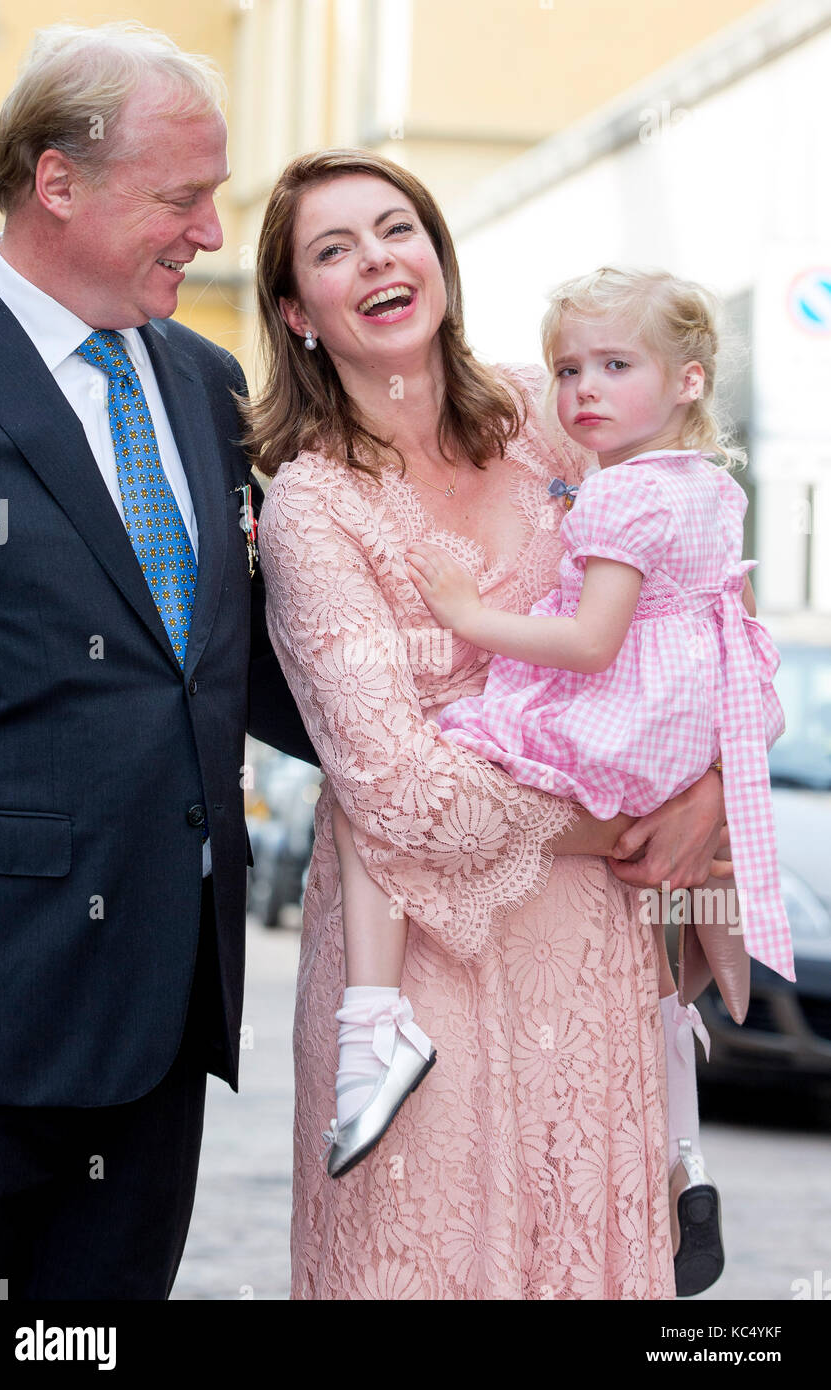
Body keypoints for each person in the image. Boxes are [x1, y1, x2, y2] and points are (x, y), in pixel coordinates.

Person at [247, 148, 733, 1300]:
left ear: (437, 256)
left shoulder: (547, 415)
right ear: (296, 312)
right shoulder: (313, 508)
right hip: (417, 972)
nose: (377, 259)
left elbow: (700, 591)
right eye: (333, 250)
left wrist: (708, 795)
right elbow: (399, 790)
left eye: (396, 229)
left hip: (591, 956)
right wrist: (619, 823)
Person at [0, 22, 316, 1300]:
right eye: (181, 198)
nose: (211, 232)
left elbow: (260, 660)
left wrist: (553, 764)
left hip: (164, 1009)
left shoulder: (208, 385)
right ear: (57, 182)